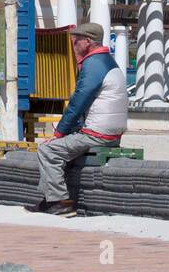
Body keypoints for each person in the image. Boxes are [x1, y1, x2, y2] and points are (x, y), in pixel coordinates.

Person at [25, 22, 128, 218]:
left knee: (48, 149)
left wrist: (59, 132)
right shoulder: (107, 61)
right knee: (63, 150)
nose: (73, 46)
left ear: (87, 42)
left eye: (75, 42)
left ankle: (59, 203)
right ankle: (50, 199)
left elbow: (78, 101)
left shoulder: (94, 64)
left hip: (99, 134)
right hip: (111, 133)